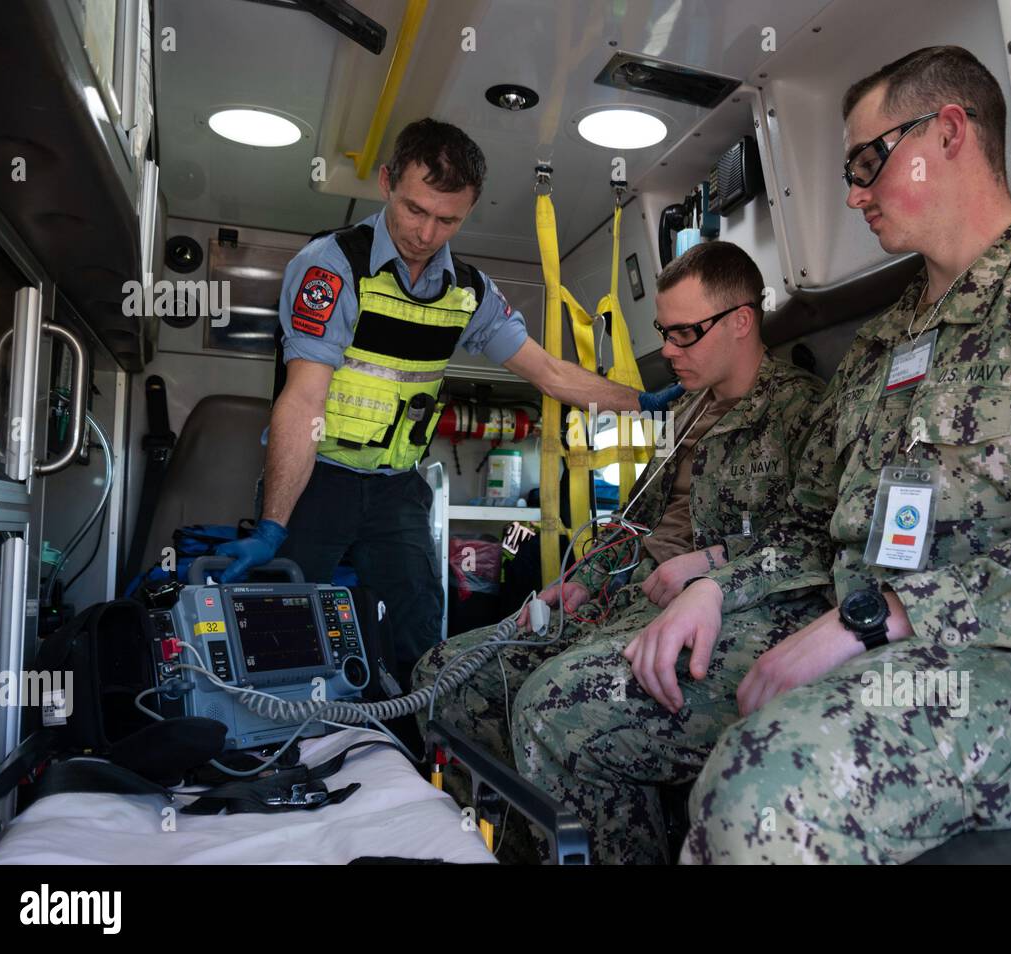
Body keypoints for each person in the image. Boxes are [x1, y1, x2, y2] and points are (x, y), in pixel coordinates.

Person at [650, 46, 1011, 864]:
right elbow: (813, 524)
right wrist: (715, 587)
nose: (852, 193)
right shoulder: (879, 347)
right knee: (580, 706)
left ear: (950, 132)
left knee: (763, 791)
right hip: (864, 633)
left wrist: (880, 618)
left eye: (870, 162)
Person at [216, 118, 679, 678]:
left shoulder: (470, 292)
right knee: (281, 635)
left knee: (417, 641)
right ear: (387, 181)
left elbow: (551, 374)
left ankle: (410, 756)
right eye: (415, 209)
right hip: (320, 479)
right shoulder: (333, 268)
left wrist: (646, 402)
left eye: (447, 219)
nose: (426, 234)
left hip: (396, 490)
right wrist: (273, 527)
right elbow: (303, 400)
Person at [413, 241, 824, 859]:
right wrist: (582, 577)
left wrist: (712, 565)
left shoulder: (804, 411)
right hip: (624, 597)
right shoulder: (685, 414)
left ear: (742, 320)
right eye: (664, 332)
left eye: (686, 333)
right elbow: (637, 522)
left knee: (552, 705)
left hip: (717, 617)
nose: (668, 351)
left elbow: (817, 541)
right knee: (443, 676)